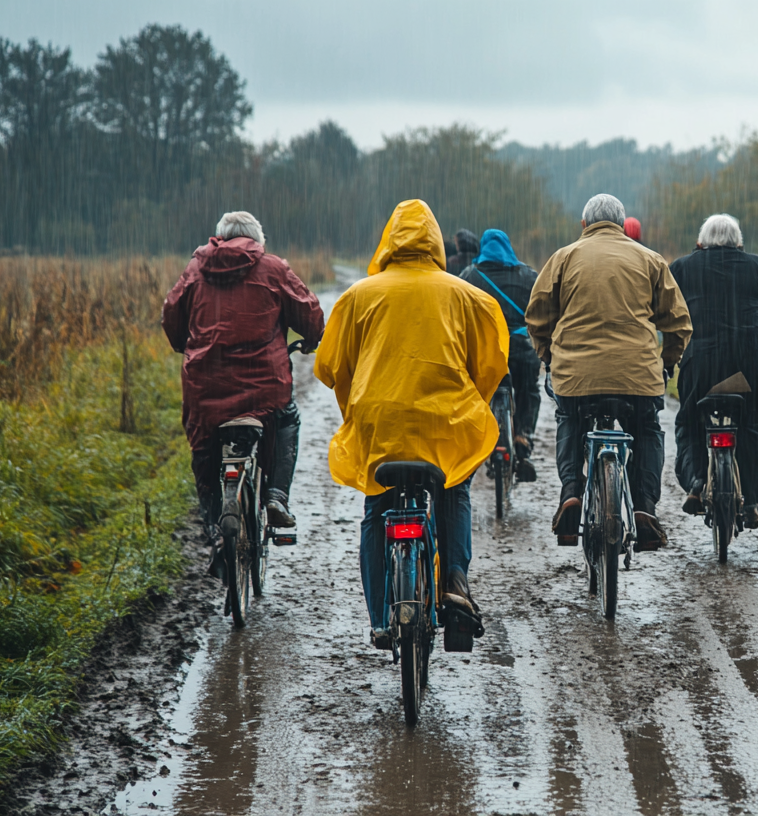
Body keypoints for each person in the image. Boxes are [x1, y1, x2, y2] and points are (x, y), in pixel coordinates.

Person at [313, 200, 509, 649]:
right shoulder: (465, 295)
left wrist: (358, 406)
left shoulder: (359, 296)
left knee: (377, 508)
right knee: (454, 487)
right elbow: (490, 365)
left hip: (380, 427)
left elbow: (330, 367)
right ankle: (455, 582)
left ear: (390, 240)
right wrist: (470, 405)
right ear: (435, 243)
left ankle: (382, 616)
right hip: (445, 425)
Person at [527, 193, 692, 550]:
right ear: (622, 225)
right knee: (647, 428)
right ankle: (645, 508)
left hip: (577, 376)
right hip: (637, 376)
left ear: (584, 225)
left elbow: (537, 318)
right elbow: (678, 323)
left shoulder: (563, 259)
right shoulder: (650, 260)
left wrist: (550, 359)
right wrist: (665, 363)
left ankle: (571, 493)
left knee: (570, 420)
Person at [161, 211, 324, 570]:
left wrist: (183, 345)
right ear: (256, 240)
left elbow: (171, 314)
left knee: (203, 442)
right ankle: (277, 497)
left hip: (206, 386)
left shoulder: (195, 268)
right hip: (264, 388)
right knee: (286, 421)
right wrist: (312, 339)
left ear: (219, 238)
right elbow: (310, 313)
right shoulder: (273, 268)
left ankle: (212, 520)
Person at [669, 214, 758, 528]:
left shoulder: (682, 267)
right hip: (752, 362)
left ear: (700, 244)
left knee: (690, 422)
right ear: (740, 244)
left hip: (702, 363)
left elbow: (667, 315)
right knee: (750, 425)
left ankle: (695, 483)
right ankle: (750, 502)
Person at [458, 228, 541, 482]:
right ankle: (523, 436)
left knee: (475, 393)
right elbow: (541, 310)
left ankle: (478, 442)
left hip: (487, 353)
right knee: (528, 390)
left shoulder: (469, 276)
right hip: (521, 351)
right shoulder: (528, 276)